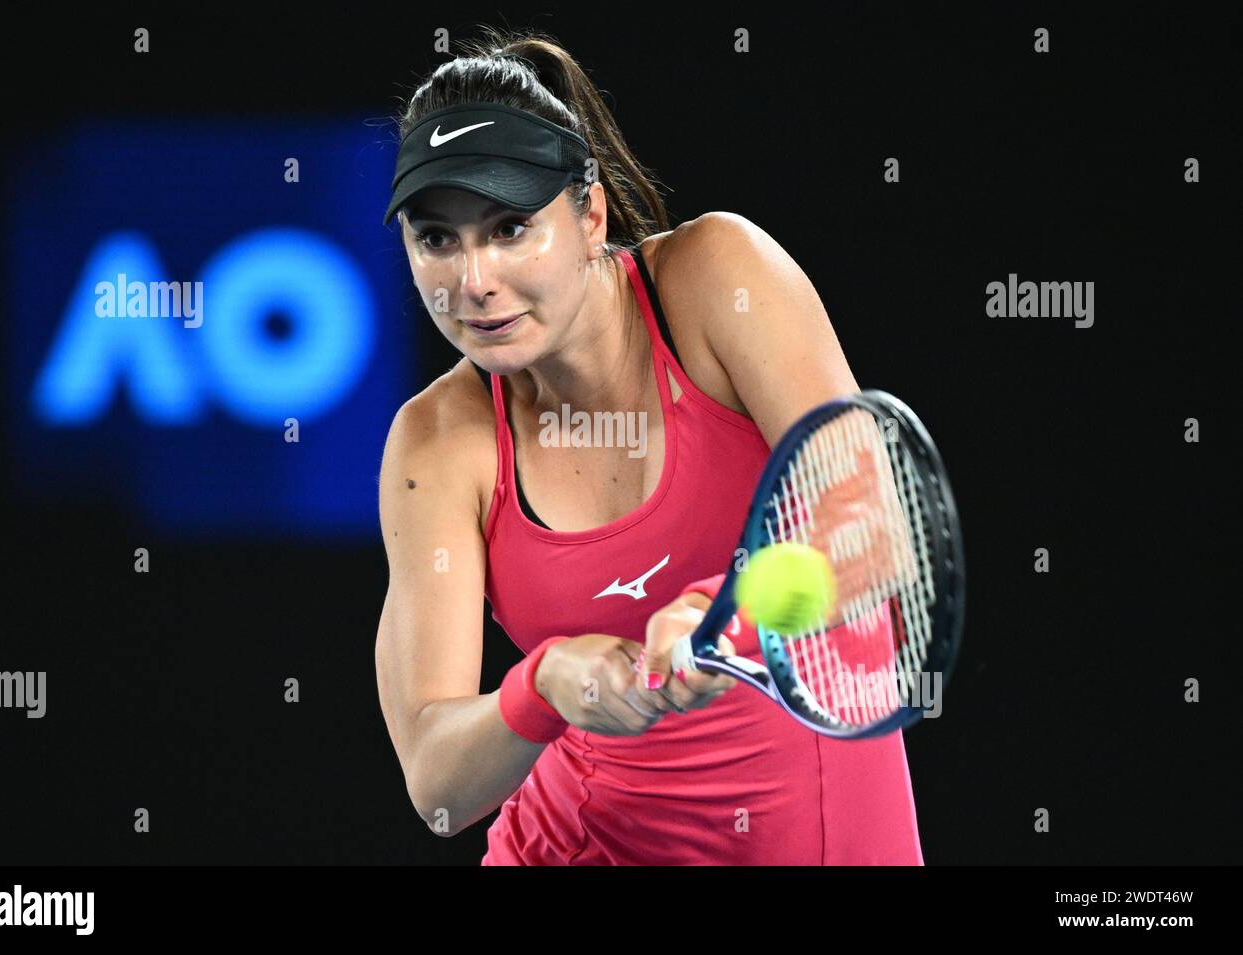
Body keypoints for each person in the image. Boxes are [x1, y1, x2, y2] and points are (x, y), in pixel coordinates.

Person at [375, 27, 924, 864]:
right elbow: (437, 783)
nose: (472, 281)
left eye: (511, 226)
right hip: (572, 840)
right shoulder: (434, 442)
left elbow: (878, 535)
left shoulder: (718, 279)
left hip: (812, 835)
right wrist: (543, 684)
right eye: (437, 237)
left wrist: (731, 614)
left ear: (589, 213)